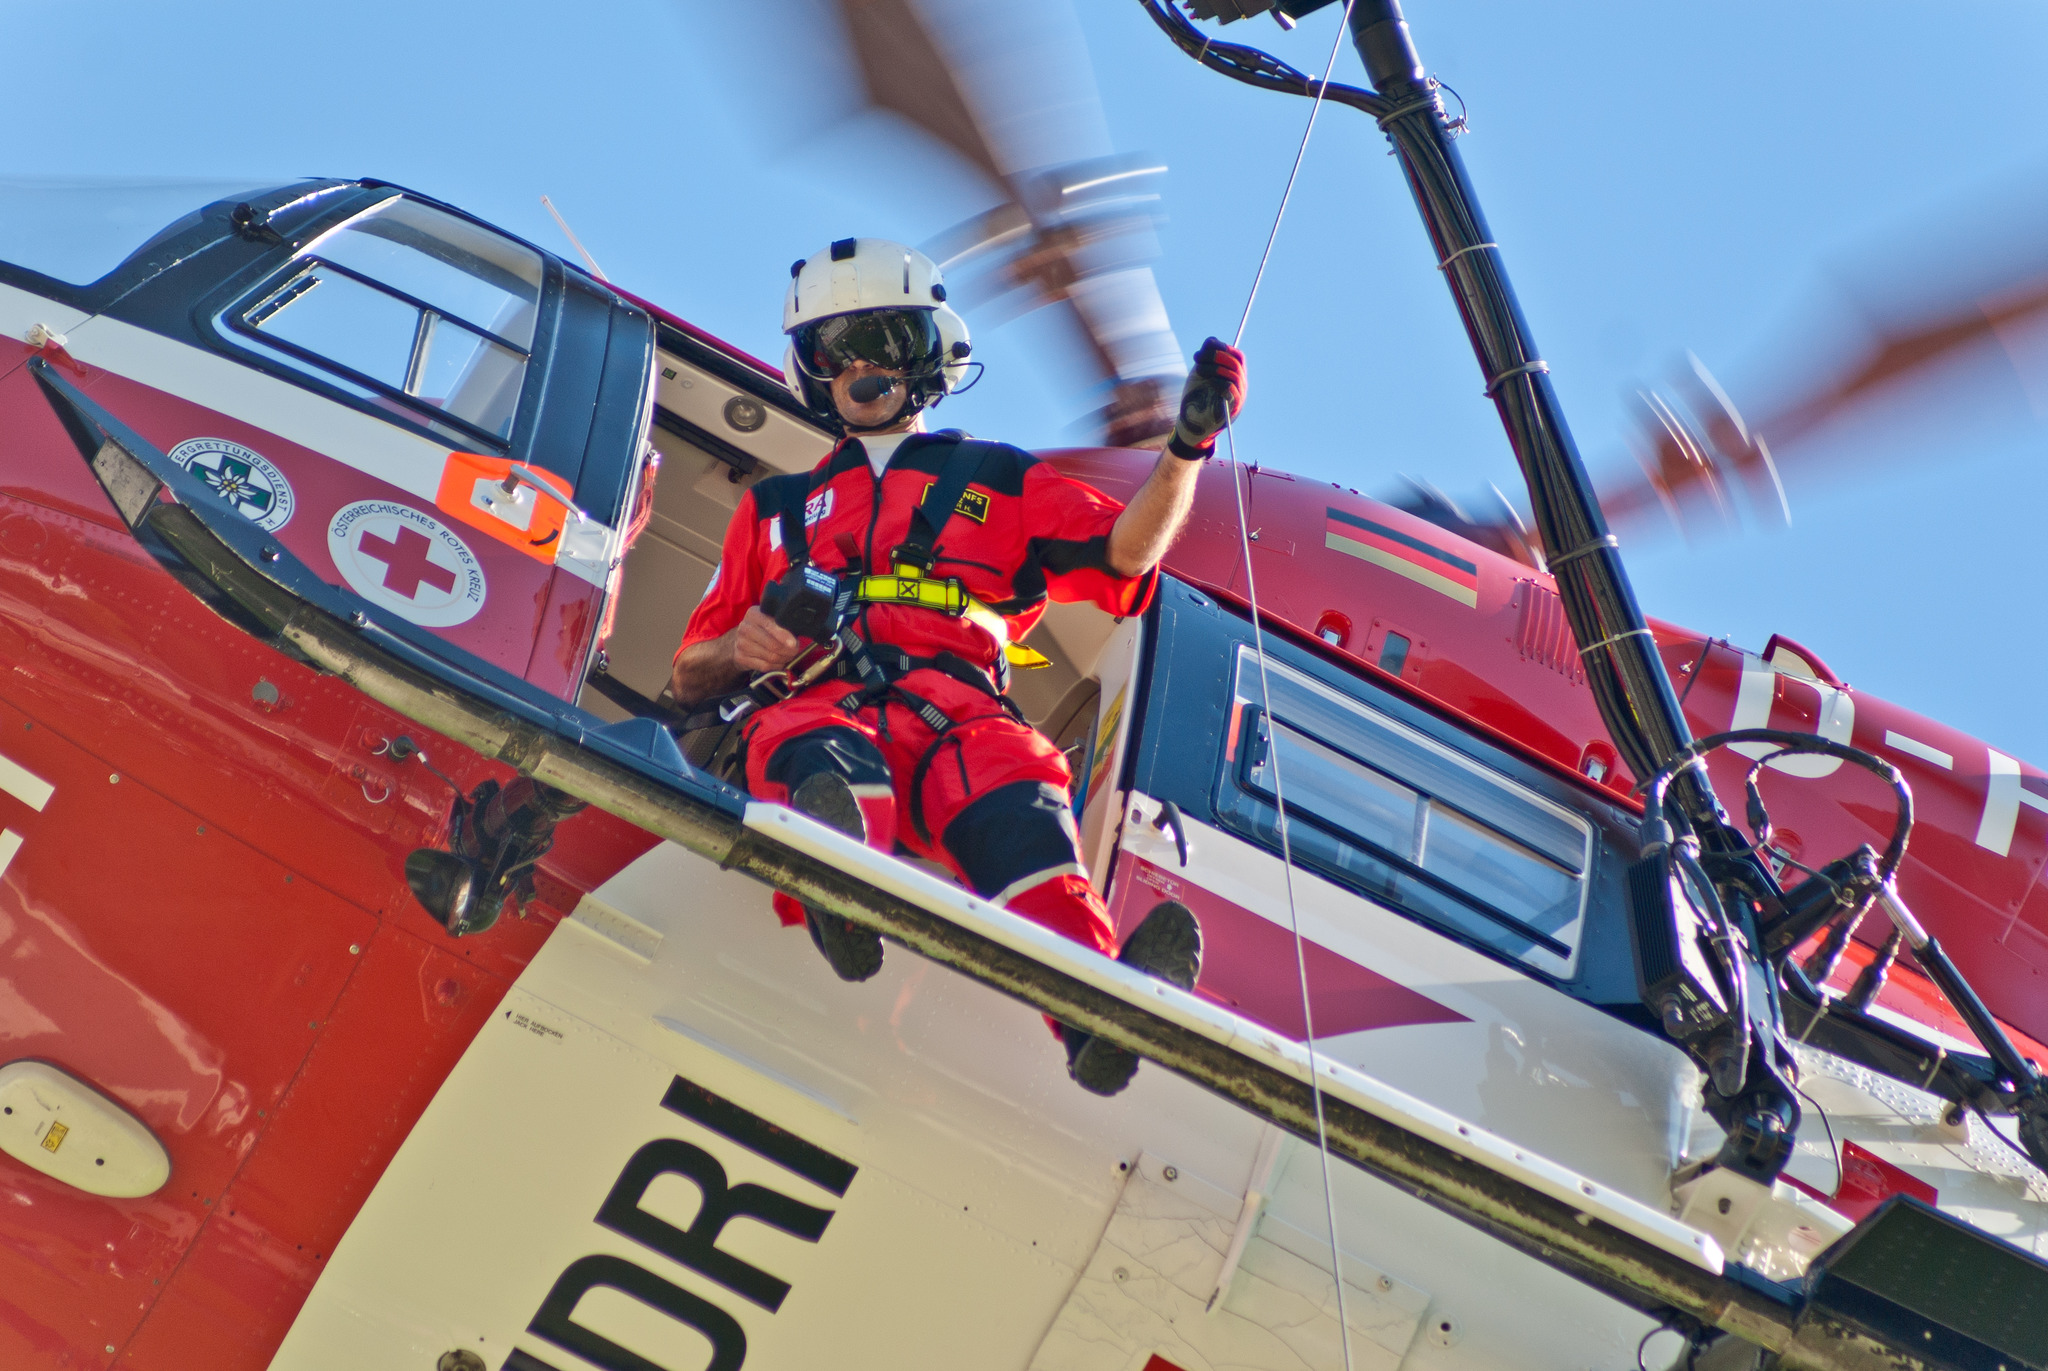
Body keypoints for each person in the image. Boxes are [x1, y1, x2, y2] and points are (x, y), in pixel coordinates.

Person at [671, 237, 1245, 1095]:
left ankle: (1097, 1014)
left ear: (931, 355)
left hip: (964, 711)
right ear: (810, 369)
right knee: (810, 738)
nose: (864, 366)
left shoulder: (1002, 478)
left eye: (887, 343)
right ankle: (841, 876)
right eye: (840, 349)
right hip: (825, 695)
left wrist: (1186, 449)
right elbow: (688, 673)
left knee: (1016, 792)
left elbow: (1125, 555)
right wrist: (739, 646)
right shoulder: (771, 509)